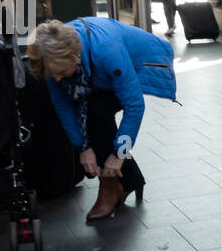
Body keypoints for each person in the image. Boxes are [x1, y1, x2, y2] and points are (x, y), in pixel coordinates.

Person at [27, 17, 177, 221]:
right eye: (53, 75)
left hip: (141, 63)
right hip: (98, 74)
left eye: (61, 72)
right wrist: (83, 148)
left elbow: (134, 106)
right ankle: (131, 180)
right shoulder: (55, 63)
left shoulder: (107, 51)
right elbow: (63, 107)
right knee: (93, 116)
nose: (58, 79)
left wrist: (120, 154)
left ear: (74, 55)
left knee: (96, 114)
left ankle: (111, 184)